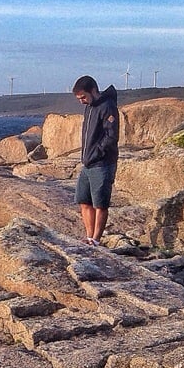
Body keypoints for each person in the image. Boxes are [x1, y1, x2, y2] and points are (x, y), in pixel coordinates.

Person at [72, 75, 119, 245]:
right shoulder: (89, 107)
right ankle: (89, 237)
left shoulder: (108, 106)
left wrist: (96, 153)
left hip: (102, 163)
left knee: (100, 204)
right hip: (88, 163)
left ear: (93, 91)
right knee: (84, 201)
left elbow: (111, 136)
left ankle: (96, 240)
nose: (81, 101)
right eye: (79, 98)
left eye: (83, 97)